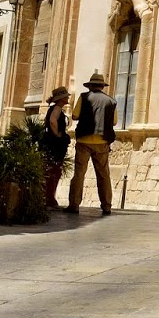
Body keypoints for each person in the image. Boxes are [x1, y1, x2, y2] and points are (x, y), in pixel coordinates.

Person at [67, 70, 116, 215]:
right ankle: (106, 205)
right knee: (103, 174)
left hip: (84, 141)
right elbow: (114, 122)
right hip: (102, 142)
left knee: (79, 173)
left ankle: (74, 204)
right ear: (102, 86)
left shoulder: (83, 98)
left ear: (90, 86)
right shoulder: (111, 101)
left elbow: (75, 116)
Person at [40, 86, 71, 209]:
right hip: (55, 145)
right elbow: (53, 121)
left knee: (50, 170)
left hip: (50, 144)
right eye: (66, 96)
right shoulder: (57, 108)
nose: (68, 98)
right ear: (61, 98)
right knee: (54, 171)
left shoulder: (53, 108)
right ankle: (49, 199)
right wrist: (57, 134)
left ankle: (48, 198)